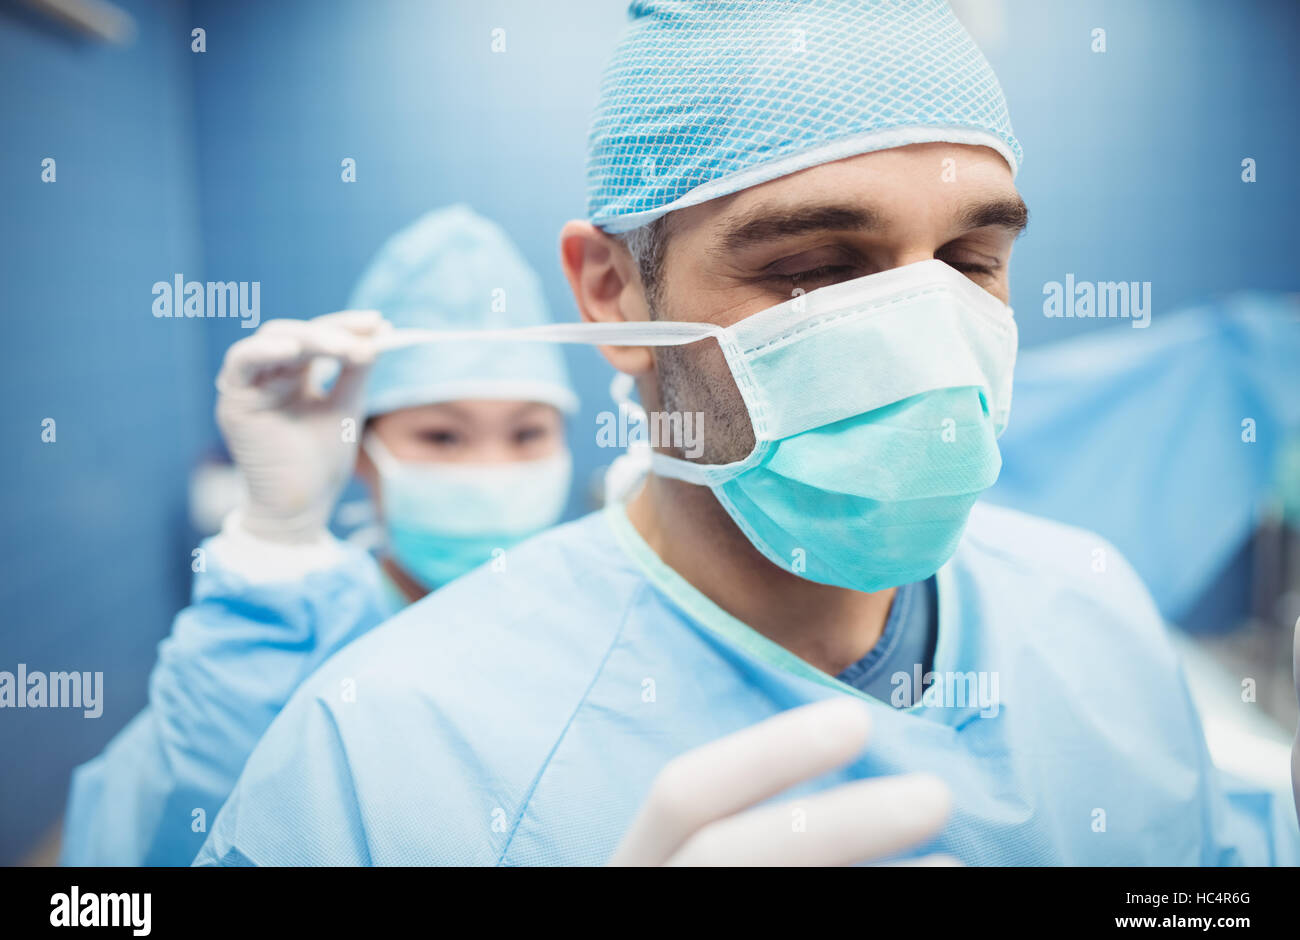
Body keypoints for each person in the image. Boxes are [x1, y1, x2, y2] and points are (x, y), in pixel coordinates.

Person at [196, 0, 1300, 866]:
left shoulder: (1090, 611)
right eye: (815, 269)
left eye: (969, 262)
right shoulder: (391, 745)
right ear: (613, 294)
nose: (924, 336)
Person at [59, 206, 579, 865]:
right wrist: (277, 539)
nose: (491, 471)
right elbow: (132, 863)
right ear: (360, 450)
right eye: (441, 435)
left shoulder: (587, 625)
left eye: (527, 433)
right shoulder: (280, 643)